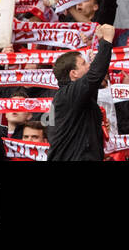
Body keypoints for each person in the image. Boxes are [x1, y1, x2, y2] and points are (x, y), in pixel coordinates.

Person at [47, 23, 116, 161]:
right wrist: (106, 42)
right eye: (84, 63)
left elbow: (93, 80)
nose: (89, 65)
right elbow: (94, 77)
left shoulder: (70, 95)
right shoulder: (68, 94)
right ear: (74, 74)